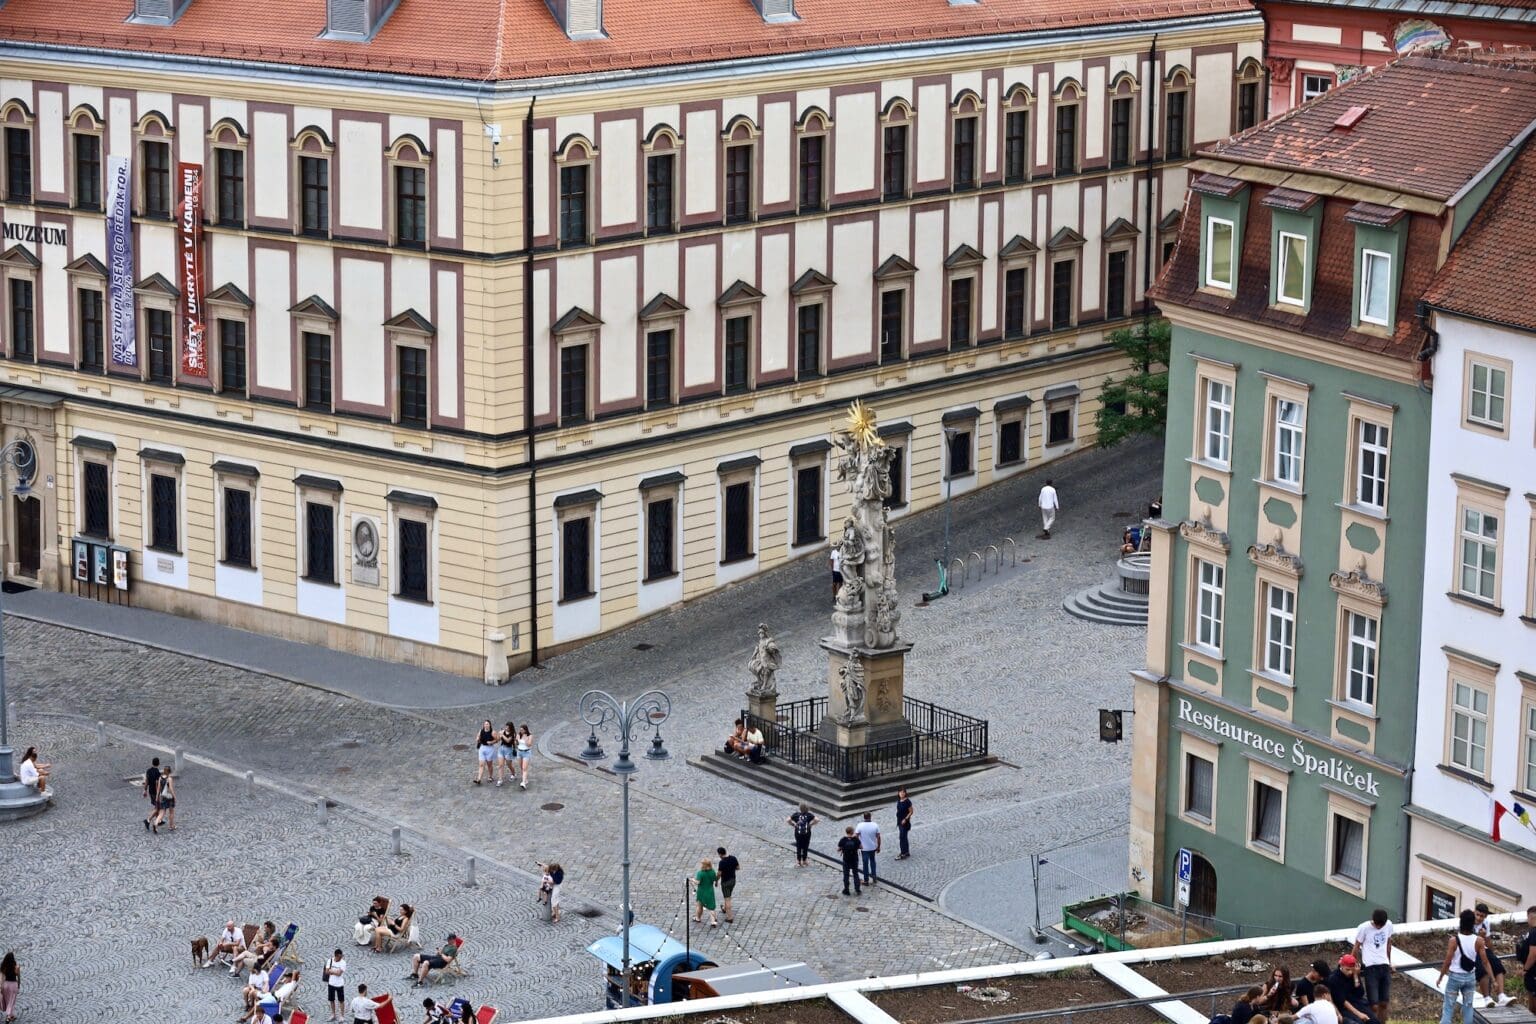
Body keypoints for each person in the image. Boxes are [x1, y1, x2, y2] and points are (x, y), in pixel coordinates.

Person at [1437, 908, 1494, 1024]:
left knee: (1448, 1007)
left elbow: (1447, 961)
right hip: (1470, 977)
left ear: (1461, 923)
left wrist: (1441, 976)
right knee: (1468, 1007)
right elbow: (1485, 962)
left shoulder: (1454, 940)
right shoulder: (1479, 941)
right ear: (1473, 923)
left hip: (1454, 977)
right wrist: (1493, 979)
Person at [1351, 908, 1395, 1021]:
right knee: (1374, 1004)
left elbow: (1388, 944)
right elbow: (1356, 947)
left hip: (1384, 965)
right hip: (1370, 967)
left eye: (1381, 925)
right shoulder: (1364, 928)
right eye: (1377, 925)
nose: (1379, 927)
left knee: (1384, 1003)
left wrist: (1390, 962)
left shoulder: (1389, 925)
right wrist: (1352, 964)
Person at [1473, 902, 1511, 1004]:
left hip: (1483, 948)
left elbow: (1488, 940)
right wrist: (1479, 935)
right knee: (1482, 970)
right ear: (1474, 912)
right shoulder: (1468, 921)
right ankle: (1487, 998)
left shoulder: (1486, 923)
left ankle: (1501, 995)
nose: (1480, 918)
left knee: (1498, 966)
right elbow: (1467, 939)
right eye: (1478, 915)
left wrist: (1492, 953)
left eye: (1482, 916)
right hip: (1473, 950)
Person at [1327, 955, 1379, 1024]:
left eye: (1352, 969)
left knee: (1374, 1021)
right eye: (1347, 969)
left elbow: (1360, 993)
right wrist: (1359, 1014)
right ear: (1341, 966)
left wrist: (1355, 976)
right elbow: (1343, 1001)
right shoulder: (1334, 978)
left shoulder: (1354, 973)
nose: (1350, 972)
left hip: (1357, 1003)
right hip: (1344, 1008)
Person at [854, 811, 881, 887]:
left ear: (864, 817)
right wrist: (878, 846)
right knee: (873, 862)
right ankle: (874, 876)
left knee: (865, 864)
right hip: (872, 847)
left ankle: (866, 880)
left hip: (864, 848)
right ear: (870, 817)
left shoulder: (860, 825)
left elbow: (856, 836)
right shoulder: (875, 825)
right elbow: (878, 837)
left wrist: (859, 845)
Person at [1518, 904, 1536, 1013]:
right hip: (1532, 972)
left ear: (1530, 916)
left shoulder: (1534, 932)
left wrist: (1525, 969)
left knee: (1534, 1007)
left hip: (1533, 972)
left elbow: (1533, 954)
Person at [693, 858, 720, 927]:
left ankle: (698, 918)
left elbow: (697, 882)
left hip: (701, 891)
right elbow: (715, 879)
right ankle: (713, 921)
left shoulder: (700, 873)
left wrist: (692, 880)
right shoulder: (712, 872)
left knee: (700, 906)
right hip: (710, 891)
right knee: (711, 907)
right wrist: (716, 883)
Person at [837, 825, 862, 896]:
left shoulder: (843, 840)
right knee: (855, 874)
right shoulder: (856, 839)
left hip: (846, 859)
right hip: (854, 859)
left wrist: (842, 849)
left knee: (846, 875)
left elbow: (838, 849)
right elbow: (861, 847)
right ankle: (857, 889)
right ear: (852, 832)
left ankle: (846, 889)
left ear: (846, 832)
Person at [716, 847, 740, 923]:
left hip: (725, 882)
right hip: (733, 880)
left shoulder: (722, 862)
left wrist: (716, 881)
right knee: (728, 895)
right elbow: (738, 867)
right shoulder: (733, 858)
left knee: (727, 898)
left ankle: (730, 917)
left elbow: (719, 874)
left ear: (720, 854)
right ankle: (724, 908)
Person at [324, 949, 348, 1021]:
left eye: (341, 957)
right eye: (339, 957)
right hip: (331, 983)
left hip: (339, 984)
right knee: (331, 1000)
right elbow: (326, 972)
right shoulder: (330, 961)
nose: (341, 958)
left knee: (341, 1000)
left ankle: (342, 1015)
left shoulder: (343, 963)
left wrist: (331, 971)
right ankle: (333, 1014)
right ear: (336, 956)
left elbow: (339, 974)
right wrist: (335, 971)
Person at [473, 720, 496, 784]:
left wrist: (491, 742)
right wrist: (477, 738)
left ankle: (490, 776)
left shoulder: (493, 732)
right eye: (485, 724)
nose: (486, 725)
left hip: (490, 749)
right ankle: (479, 779)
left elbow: (497, 739)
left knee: (489, 765)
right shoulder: (481, 731)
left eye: (487, 724)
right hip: (482, 748)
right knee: (481, 764)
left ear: (490, 725)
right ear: (483, 725)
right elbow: (477, 736)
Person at [142, 755, 162, 831]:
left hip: (150, 791)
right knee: (158, 808)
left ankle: (159, 820)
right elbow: (157, 784)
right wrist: (158, 794)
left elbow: (146, 781)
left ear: (152, 763)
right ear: (158, 763)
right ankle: (148, 820)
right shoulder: (157, 773)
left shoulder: (148, 771)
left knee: (156, 806)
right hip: (155, 792)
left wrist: (145, 790)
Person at [496, 721, 516, 788]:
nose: (506, 728)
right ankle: (500, 780)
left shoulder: (512, 734)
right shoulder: (503, 731)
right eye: (506, 726)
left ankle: (513, 773)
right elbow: (498, 740)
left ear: (510, 727)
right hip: (501, 749)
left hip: (508, 750)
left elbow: (508, 740)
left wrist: (502, 735)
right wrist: (499, 734)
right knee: (500, 765)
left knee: (509, 764)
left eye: (508, 727)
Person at [895, 789, 913, 860]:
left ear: (905, 793)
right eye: (900, 792)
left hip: (905, 822)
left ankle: (903, 853)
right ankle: (906, 852)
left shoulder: (907, 801)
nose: (901, 794)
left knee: (902, 837)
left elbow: (911, 811)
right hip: (899, 821)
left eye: (903, 792)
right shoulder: (899, 801)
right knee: (903, 837)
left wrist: (905, 819)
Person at [0, 951, 18, 1024]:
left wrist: (1, 987)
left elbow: (1, 977)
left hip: (5, 985)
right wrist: (18, 986)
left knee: (7, 1001)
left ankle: (12, 1015)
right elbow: (18, 977)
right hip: (13, 985)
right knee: (11, 1001)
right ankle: (8, 1017)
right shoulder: (16, 966)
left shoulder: (3, 966)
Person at [516, 724, 534, 789]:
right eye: (520, 730)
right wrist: (517, 740)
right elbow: (516, 744)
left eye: (522, 730)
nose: (521, 731)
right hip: (519, 752)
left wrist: (525, 740)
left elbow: (529, 744)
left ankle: (523, 782)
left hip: (526, 752)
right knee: (521, 767)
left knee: (524, 768)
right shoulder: (518, 735)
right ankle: (525, 779)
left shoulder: (530, 736)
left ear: (525, 730)